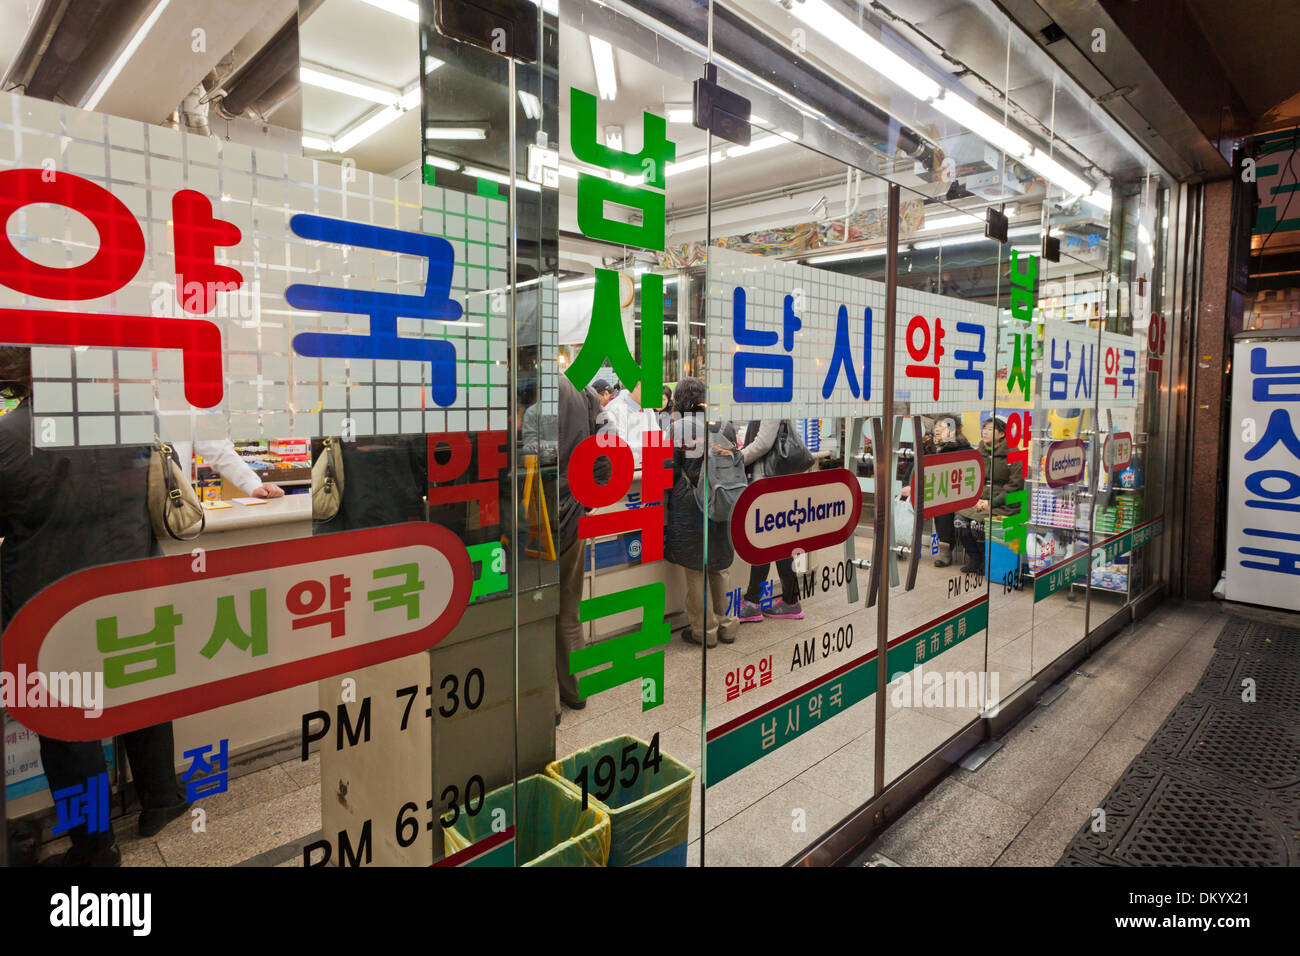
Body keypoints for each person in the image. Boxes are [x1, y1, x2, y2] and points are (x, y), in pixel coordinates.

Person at [0, 347, 188, 866]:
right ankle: (162, 799)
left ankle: (94, 845)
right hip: (134, 584)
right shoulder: (133, 415)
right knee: (140, 689)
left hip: (53, 600)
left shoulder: (11, 437)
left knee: (67, 724)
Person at [663, 378, 738, 647]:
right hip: (721, 501)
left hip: (691, 504)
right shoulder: (724, 424)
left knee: (696, 569)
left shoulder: (679, 427)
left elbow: (668, 468)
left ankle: (704, 631)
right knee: (719, 566)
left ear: (681, 398)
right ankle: (727, 625)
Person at [554, 378, 608, 716]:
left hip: (533, 521)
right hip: (573, 517)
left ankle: (548, 707)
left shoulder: (521, 384)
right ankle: (576, 689)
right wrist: (582, 504)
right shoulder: (585, 392)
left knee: (536, 618)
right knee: (569, 612)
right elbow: (603, 459)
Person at [735, 419, 805, 622]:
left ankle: (753, 602)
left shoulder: (770, 401)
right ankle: (789, 601)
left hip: (768, 482)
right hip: (776, 481)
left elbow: (763, 443)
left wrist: (738, 458)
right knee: (777, 542)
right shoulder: (776, 398)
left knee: (765, 541)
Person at [954, 415, 1022, 576]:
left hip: (1004, 504)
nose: (985, 432)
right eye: (984, 428)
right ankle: (974, 558)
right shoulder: (980, 451)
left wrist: (991, 503)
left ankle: (986, 561)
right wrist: (975, 499)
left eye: (991, 429)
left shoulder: (1015, 453)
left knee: (977, 524)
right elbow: (972, 478)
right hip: (980, 500)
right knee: (959, 520)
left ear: (1002, 434)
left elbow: (1015, 486)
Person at [931, 415, 972, 568]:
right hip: (941, 492)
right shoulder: (933, 447)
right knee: (939, 506)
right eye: (936, 426)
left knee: (946, 508)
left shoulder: (962, 447)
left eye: (943, 426)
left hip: (961, 493)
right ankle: (944, 551)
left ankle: (957, 552)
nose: (937, 429)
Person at [599, 380, 660, 466]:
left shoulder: (647, 408)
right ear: (637, 385)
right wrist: (649, 446)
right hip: (624, 469)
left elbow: (656, 435)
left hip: (646, 468)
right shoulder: (613, 409)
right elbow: (619, 445)